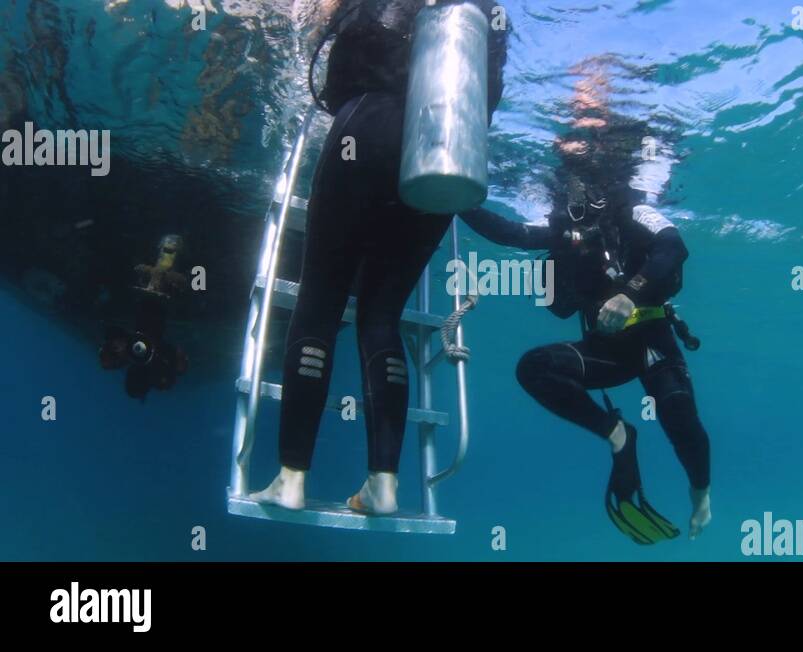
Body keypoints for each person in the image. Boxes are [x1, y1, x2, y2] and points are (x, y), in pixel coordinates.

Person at [251, 0, 509, 514]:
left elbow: (333, 54)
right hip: (445, 149)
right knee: (382, 317)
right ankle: (384, 485)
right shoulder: (486, 11)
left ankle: (291, 479)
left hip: (367, 124)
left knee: (320, 300)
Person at [460, 169, 712, 543]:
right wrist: (454, 199)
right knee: (533, 369)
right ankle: (616, 433)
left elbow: (673, 246)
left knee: (678, 414)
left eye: (588, 187)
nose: (581, 198)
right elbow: (509, 232)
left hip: (651, 339)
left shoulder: (635, 213)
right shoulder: (562, 230)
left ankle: (701, 496)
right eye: (573, 190)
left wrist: (630, 293)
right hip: (605, 350)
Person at [99, 234, 189, 401]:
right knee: (165, 280)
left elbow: (110, 336)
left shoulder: (126, 353)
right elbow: (178, 358)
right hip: (156, 308)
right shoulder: (158, 361)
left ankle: (168, 256)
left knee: (153, 277)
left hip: (152, 307)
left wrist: (118, 346)